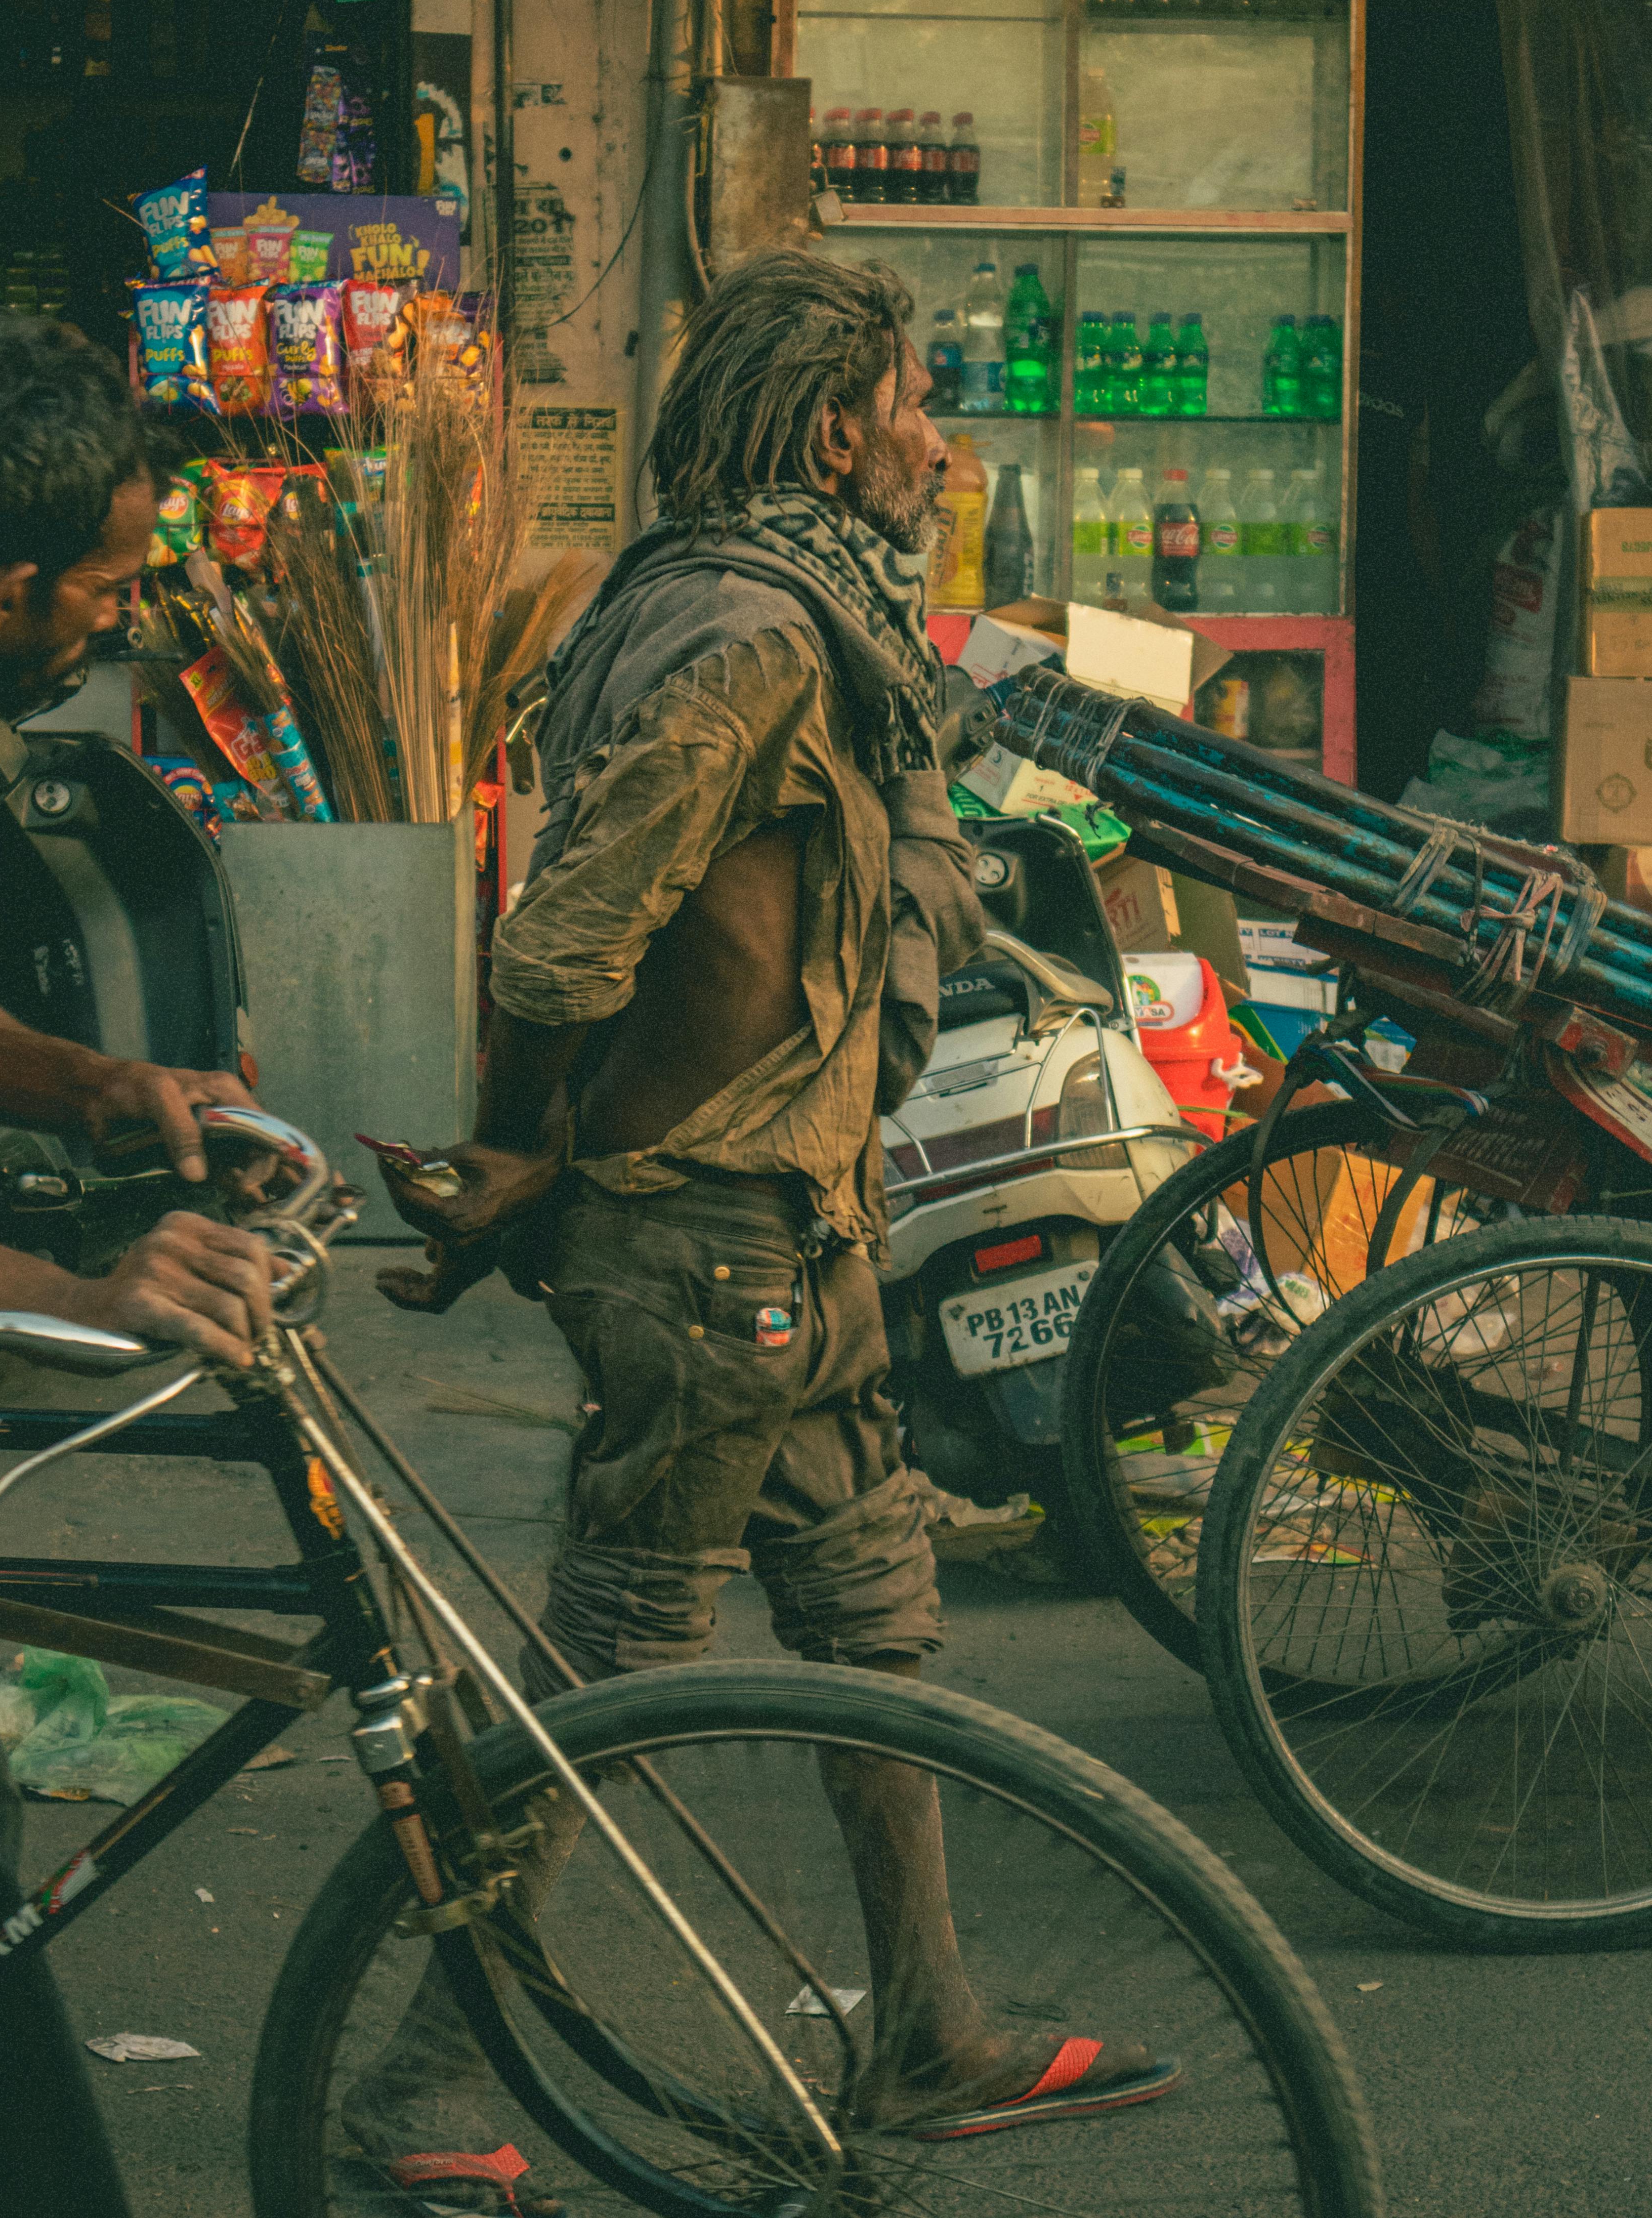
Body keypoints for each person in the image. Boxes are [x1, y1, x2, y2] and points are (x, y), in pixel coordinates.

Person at [358, 251, 1171, 2190]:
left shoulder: (768, 604)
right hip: (704, 1232)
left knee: (871, 1608)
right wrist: (511, 1157)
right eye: (908, 402)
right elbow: (570, 940)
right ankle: (409, 2081)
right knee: (620, 1668)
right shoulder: (754, 633)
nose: (933, 436)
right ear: (832, 429)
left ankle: (928, 2023)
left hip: (788, 1225)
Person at [0, 313, 275, 2218]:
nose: (129, 622)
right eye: (114, 588)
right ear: (8, 582)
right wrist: (79, 1300)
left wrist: (102, 1084)